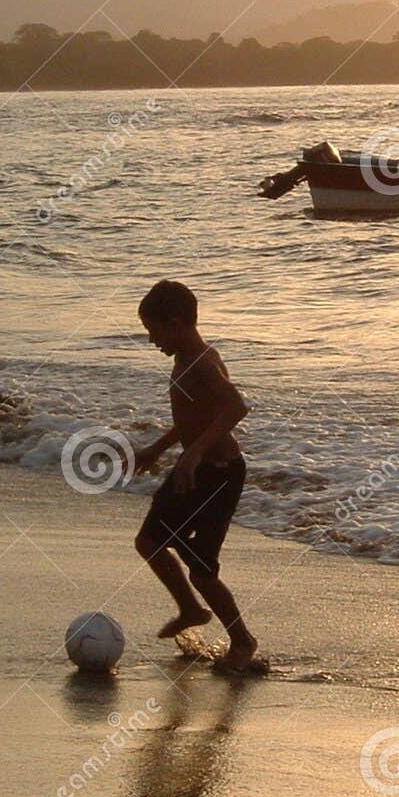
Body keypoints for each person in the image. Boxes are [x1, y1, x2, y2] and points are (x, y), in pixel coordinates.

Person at [131, 279, 258, 671]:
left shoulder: (203, 362)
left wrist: (195, 454)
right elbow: (195, 418)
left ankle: (243, 641)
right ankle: (190, 609)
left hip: (219, 474)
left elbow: (236, 407)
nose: (153, 341)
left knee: (202, 569)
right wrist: (161, 447)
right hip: (195, 467)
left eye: (154, 332)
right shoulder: (183, 359)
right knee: (150, 540)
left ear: (174, 323)